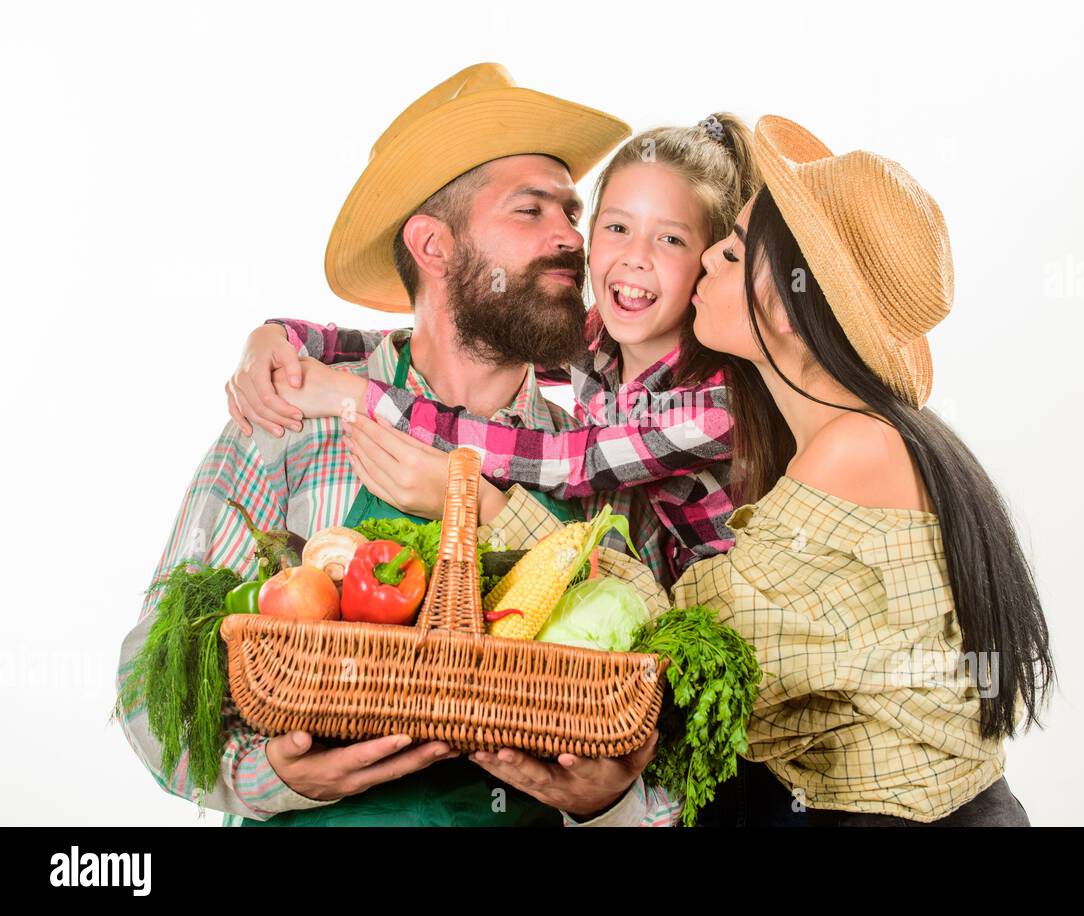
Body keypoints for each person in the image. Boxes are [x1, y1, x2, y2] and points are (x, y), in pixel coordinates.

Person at [112, 62, 675, 827]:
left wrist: (607, 804)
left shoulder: (598, 455)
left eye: (571, 213)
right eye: (531, 211)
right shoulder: (294, 423)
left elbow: (667, 719)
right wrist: (276, 775)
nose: (570, 241)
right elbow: (152, 686)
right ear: (433, 246)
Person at [467, 115, 1056, 825]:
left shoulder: (855, 453)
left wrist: (501, 514)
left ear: (784, 295)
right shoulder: (826, 441)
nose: (710, 257)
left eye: (734, 249)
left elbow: (691, 641)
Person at [225, 112, 761, 595]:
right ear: (434, 247)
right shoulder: (602, 346)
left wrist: (464, 493)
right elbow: (445, 335)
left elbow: (573, 468)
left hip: (730, 629)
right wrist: (283, 337)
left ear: (709, 260)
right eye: (615, 227)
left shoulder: (709, 407)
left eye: (670, 239)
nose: (572, 240)